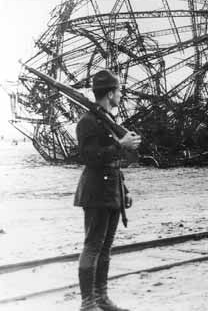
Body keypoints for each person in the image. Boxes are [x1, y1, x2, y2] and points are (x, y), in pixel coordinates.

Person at [74, 69, 141, 311]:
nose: (121, 95)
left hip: (111, 190)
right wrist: (120, 144)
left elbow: (112, 162)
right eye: (119, 91)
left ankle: (101, 298)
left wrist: (124, 189)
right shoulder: (88, 121)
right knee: (93, 246)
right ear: (110, 93)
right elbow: (91, 157)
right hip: (95, 191)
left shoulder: (105, 120)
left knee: (105, 247)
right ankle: (88, 303)